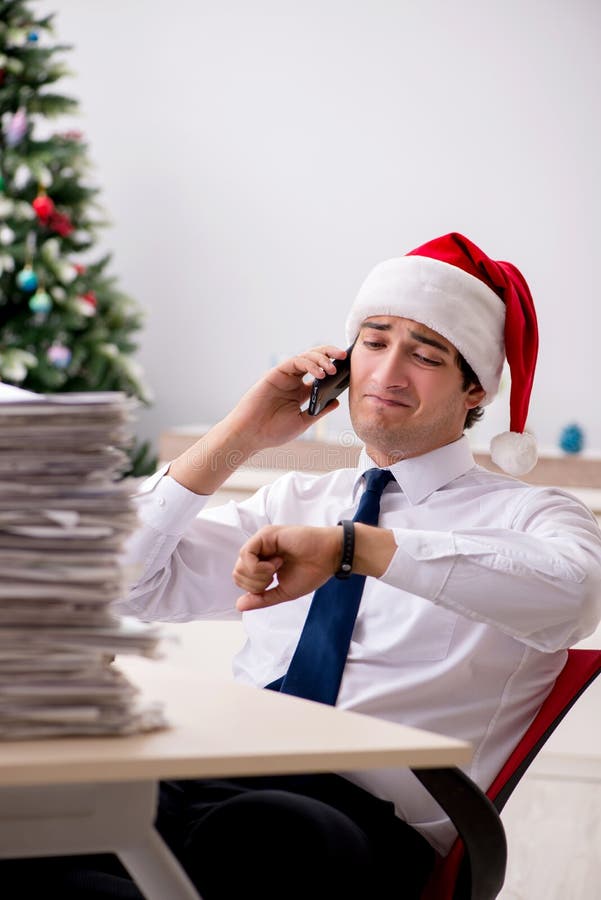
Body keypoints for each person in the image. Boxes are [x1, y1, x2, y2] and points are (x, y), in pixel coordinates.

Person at [8, 232, 601, 899]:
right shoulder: (291, 500)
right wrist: (241, 434)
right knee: (33, 819)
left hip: (357, 829)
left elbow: (572, 595)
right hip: (211, 781)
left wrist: (354, 549)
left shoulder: (531, 515)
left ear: (474, 389)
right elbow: (118, 585)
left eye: (424, 354)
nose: (387, 372)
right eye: (372, 343)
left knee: (262, 832)